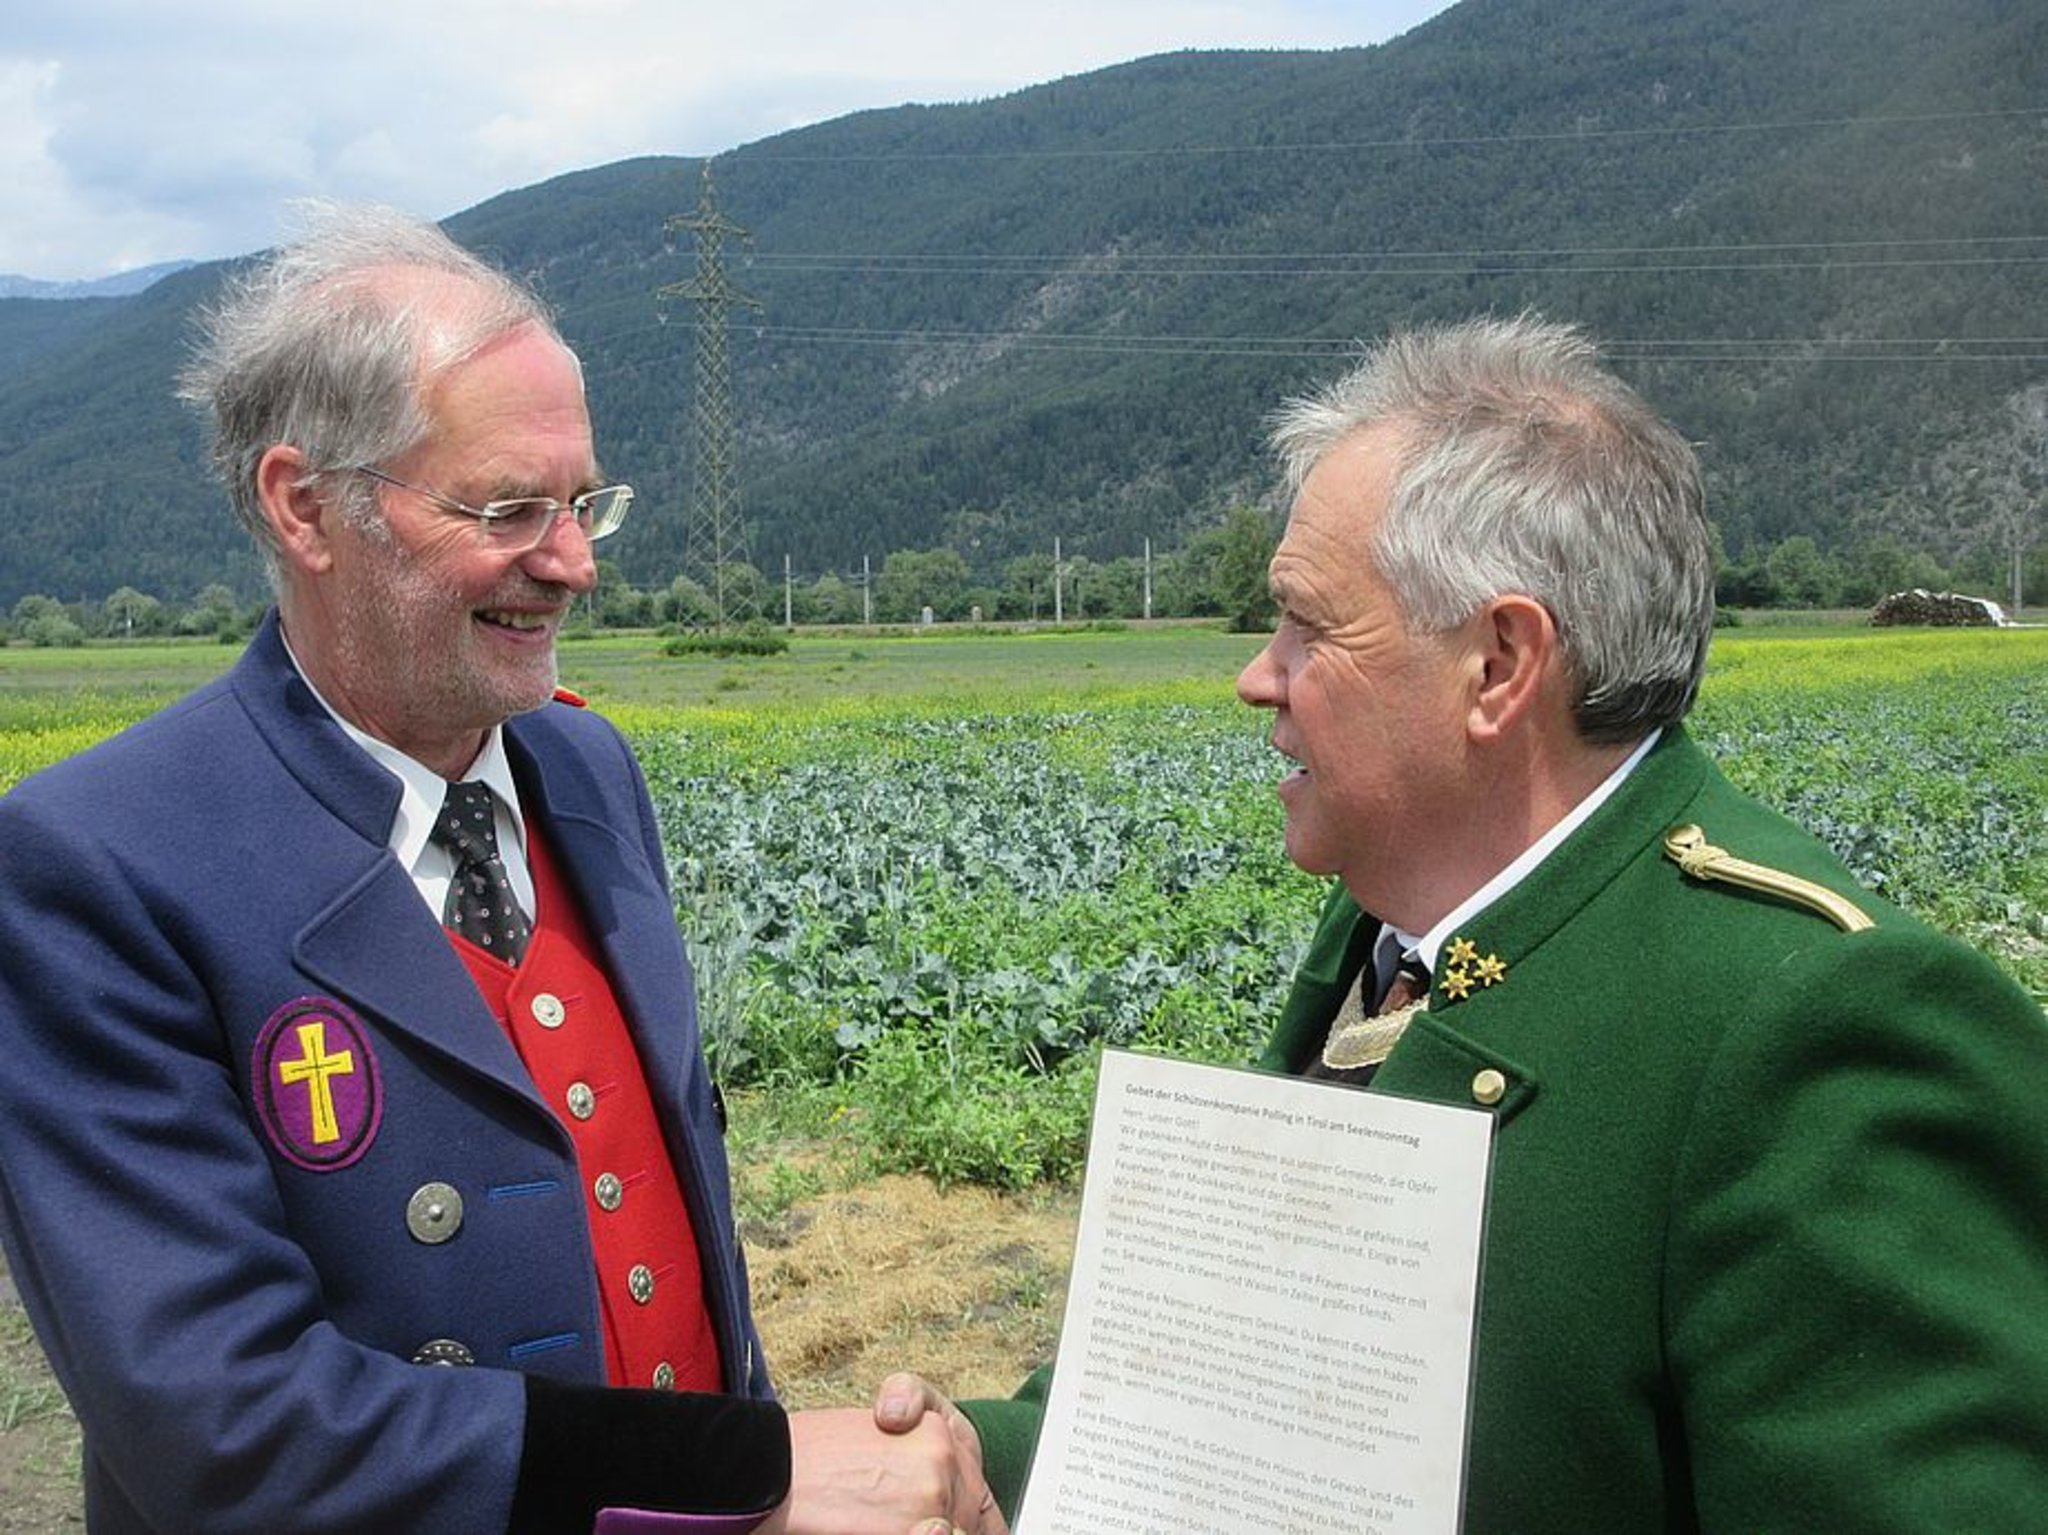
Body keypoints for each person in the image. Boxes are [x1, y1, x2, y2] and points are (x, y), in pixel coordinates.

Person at [889, 314, 2048, 1530]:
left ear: (1497, 663)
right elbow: (1241, 1389)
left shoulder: (1821, 1022)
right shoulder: (1396, 920)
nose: (1255, 674)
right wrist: (966, 1461)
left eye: (1307, 625)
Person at [0, 202, 999, 1535]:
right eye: (510, 507)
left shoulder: (586, 768)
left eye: (583, 503)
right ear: (306, 507)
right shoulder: (100, 858)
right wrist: (743, 1473)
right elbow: (224, 1425)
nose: (574, 562)